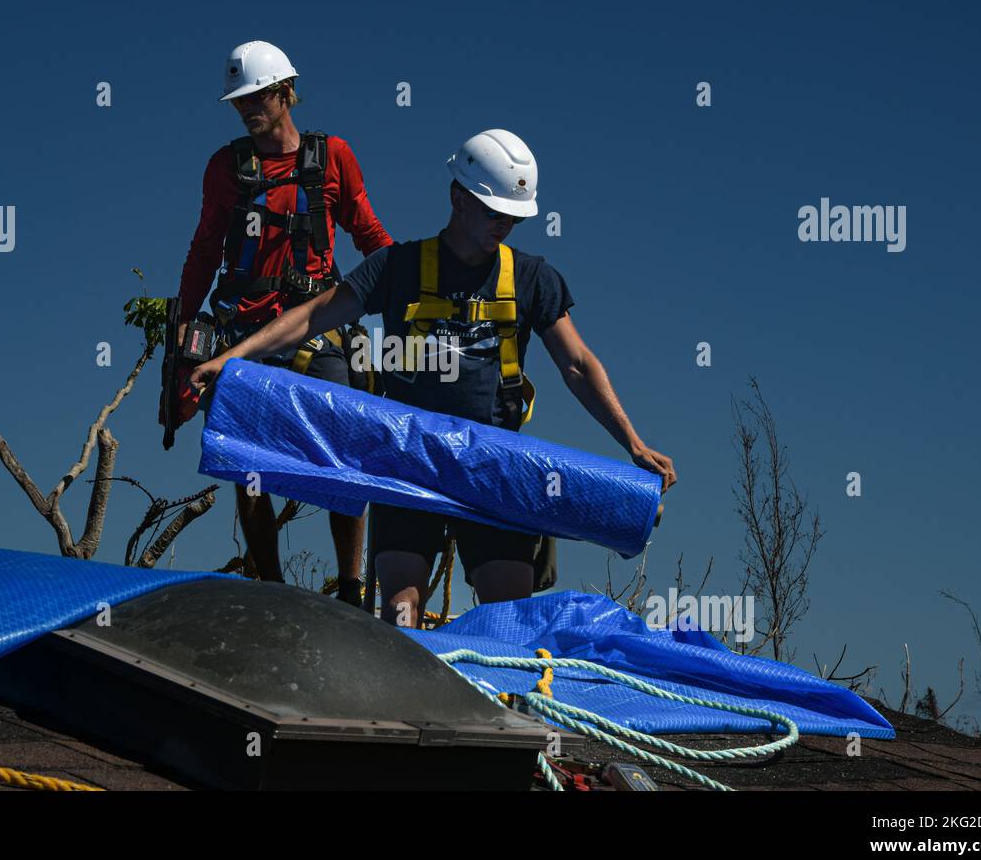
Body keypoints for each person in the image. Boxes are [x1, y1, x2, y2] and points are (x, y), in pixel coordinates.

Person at [189, 129, 675, 626]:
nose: (503, 226)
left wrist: (633, 444)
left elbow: (577, 365)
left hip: (494, 465)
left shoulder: (533, 278)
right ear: (457, 198)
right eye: (493, 213)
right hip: (410, 461)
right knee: (400, 617)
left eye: (512, 217)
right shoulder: (397, 267)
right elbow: (311, 318)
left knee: (508, 623)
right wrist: (233, 358)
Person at [177, 40, 393, 604]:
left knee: (342, 453)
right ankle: (269, 589)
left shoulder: (332, 157)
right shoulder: (226, 168)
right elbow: (204, 249)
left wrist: (410, 293)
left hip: (317, 327)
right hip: (241, 334)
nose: (248, 108)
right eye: (239, 100)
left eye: (258, 96)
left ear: (285, 92)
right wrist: (183, 324)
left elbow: (368, 233)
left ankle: (351, 588)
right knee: (248, 463)